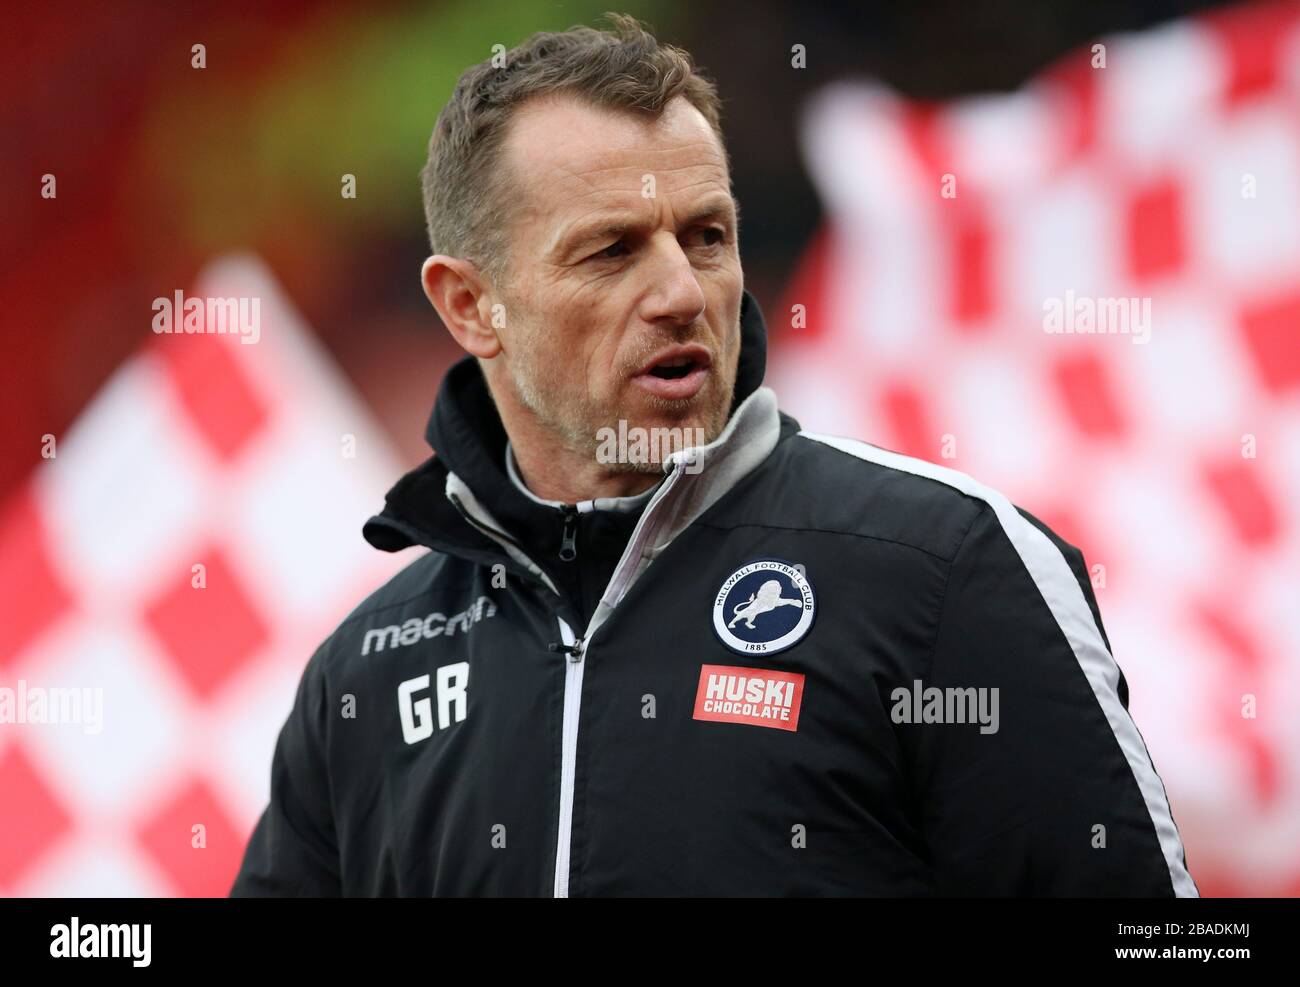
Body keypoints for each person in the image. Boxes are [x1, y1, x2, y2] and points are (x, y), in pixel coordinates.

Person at [230, 13, 1198, 897]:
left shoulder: (947, 569)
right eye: (611, 251)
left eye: (705, 237)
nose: (682, 294)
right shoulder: (366, 673)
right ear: (469, 306)